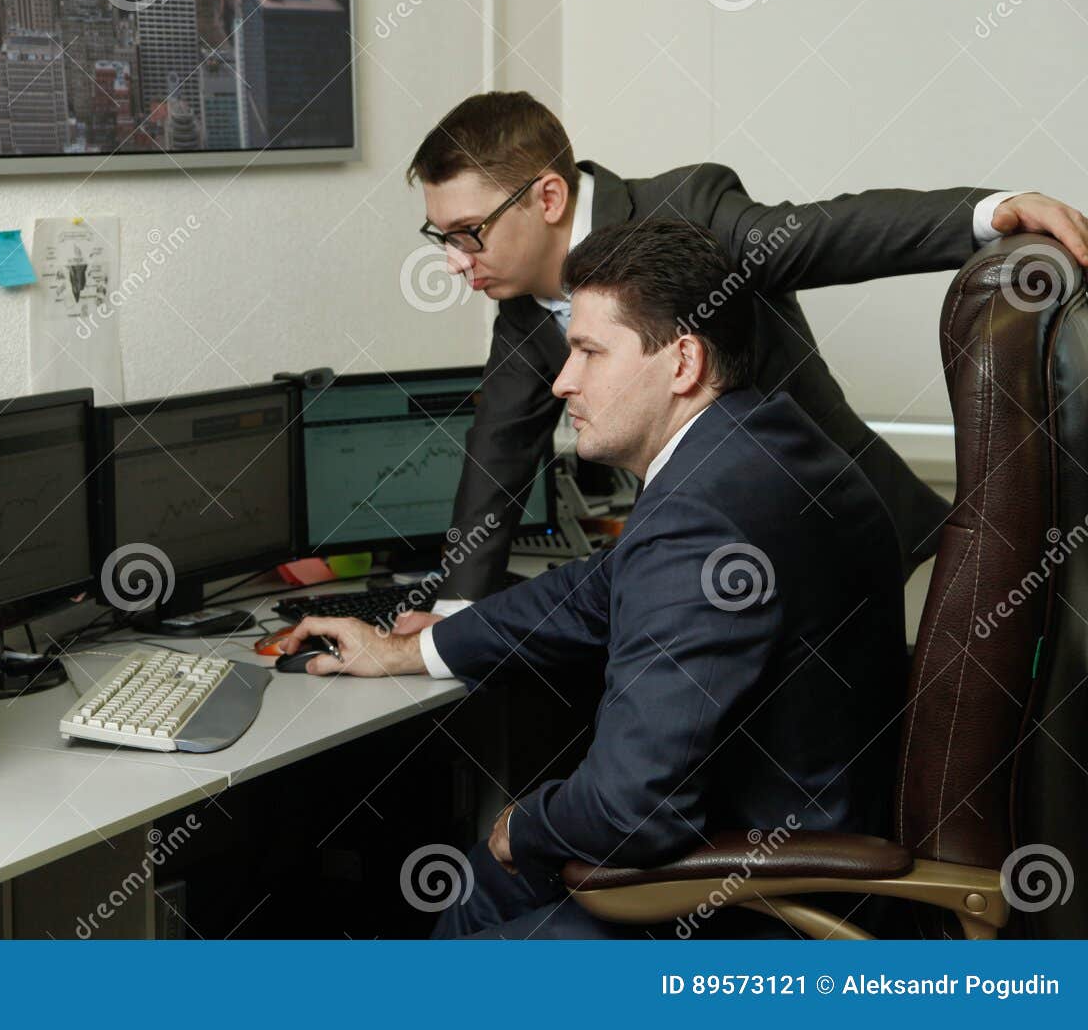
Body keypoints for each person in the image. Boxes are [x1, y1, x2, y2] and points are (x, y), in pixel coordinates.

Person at [281, 219, 908, 938]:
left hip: (765, 901)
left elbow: (633, 810)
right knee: (487, 878)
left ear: (682, 363)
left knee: (487, 896)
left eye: (588, 352)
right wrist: (412, 648)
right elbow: (595, 587)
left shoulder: (704, 514)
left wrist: (525, 819)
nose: (561, 380)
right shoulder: (757, 443)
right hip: (799, 831)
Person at [410, 91, 1088, 600]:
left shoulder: (689, 209)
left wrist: (987, 210)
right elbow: (497, 454)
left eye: (468, 230)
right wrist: (450, 613)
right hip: (712, 571)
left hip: (862, 550)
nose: (455, 261)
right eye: (441, 237)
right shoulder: (520, 303)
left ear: (548, 196)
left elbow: (824, 234)